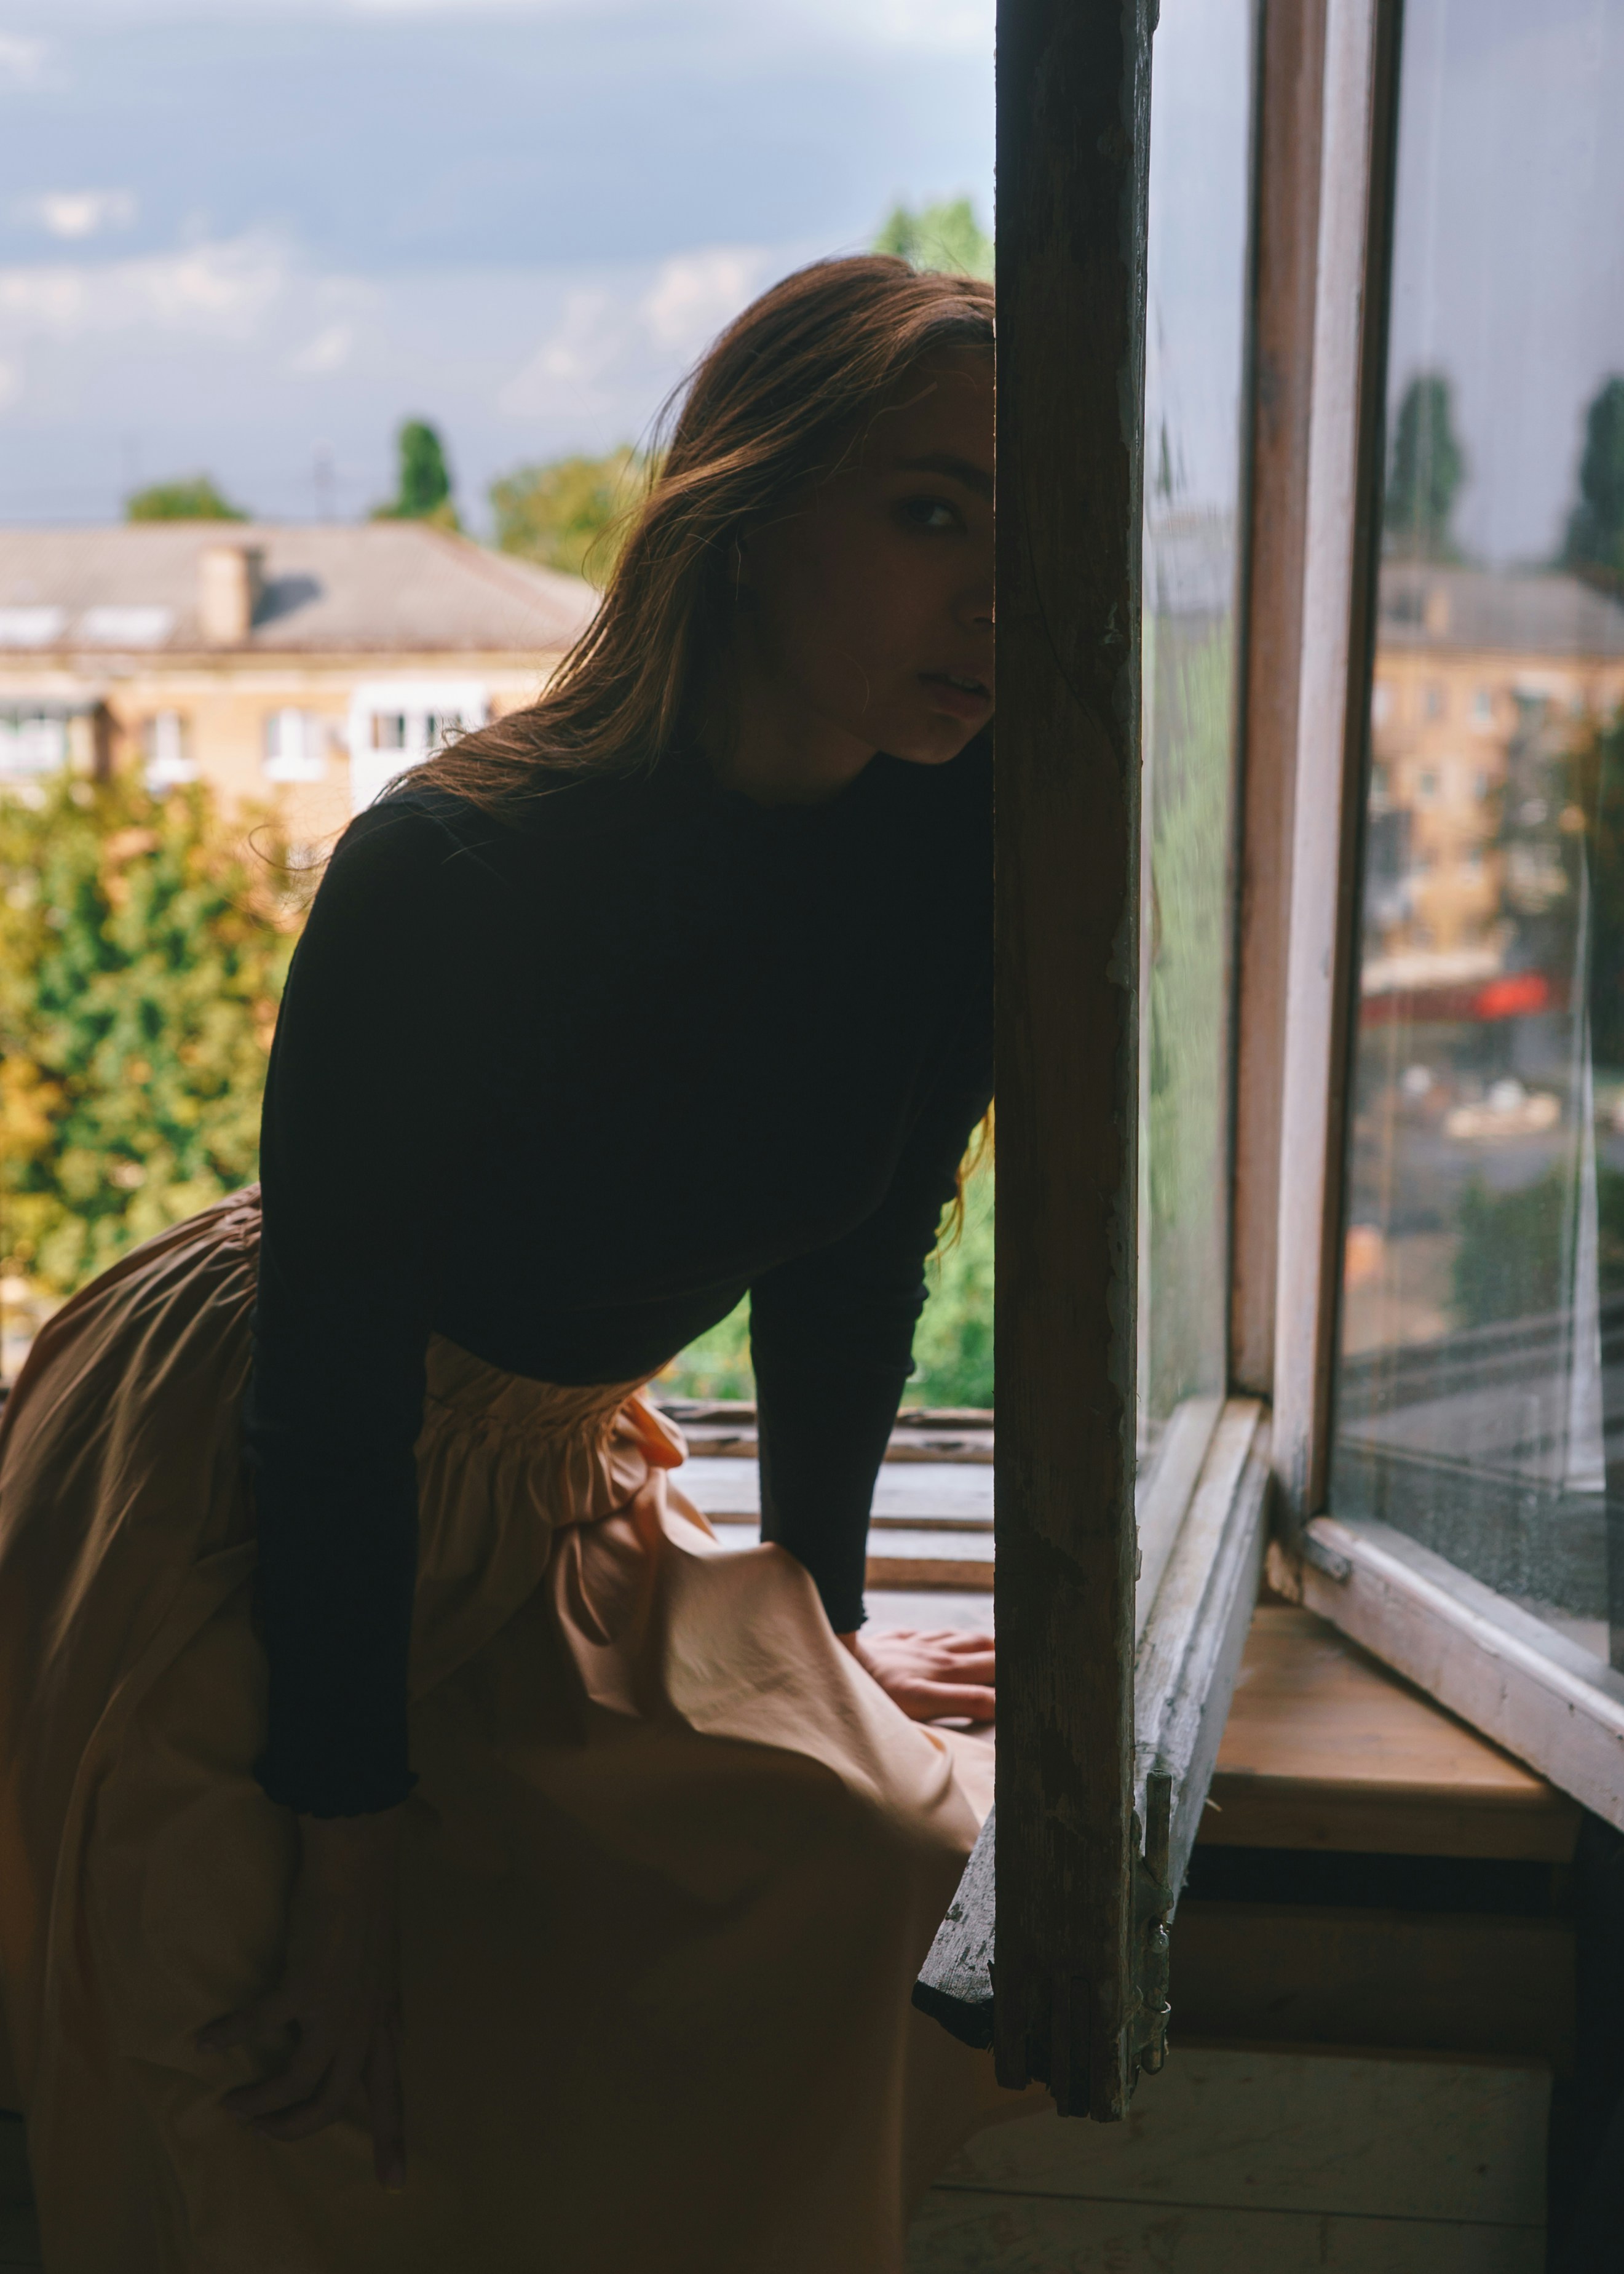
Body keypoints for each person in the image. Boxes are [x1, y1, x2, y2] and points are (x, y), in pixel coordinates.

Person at [0, 254, 1012, 2272]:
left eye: (1035, 529)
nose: (993, 592)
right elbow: (342, 1392)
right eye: (928, 511)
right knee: (268, 2050)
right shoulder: (453, 866)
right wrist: (345, 1874)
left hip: (539, 1472)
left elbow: (851, 1274)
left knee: (871, 1834)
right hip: (254, 1462)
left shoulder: (956, 844)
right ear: (740, 520)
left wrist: (809, 1637)